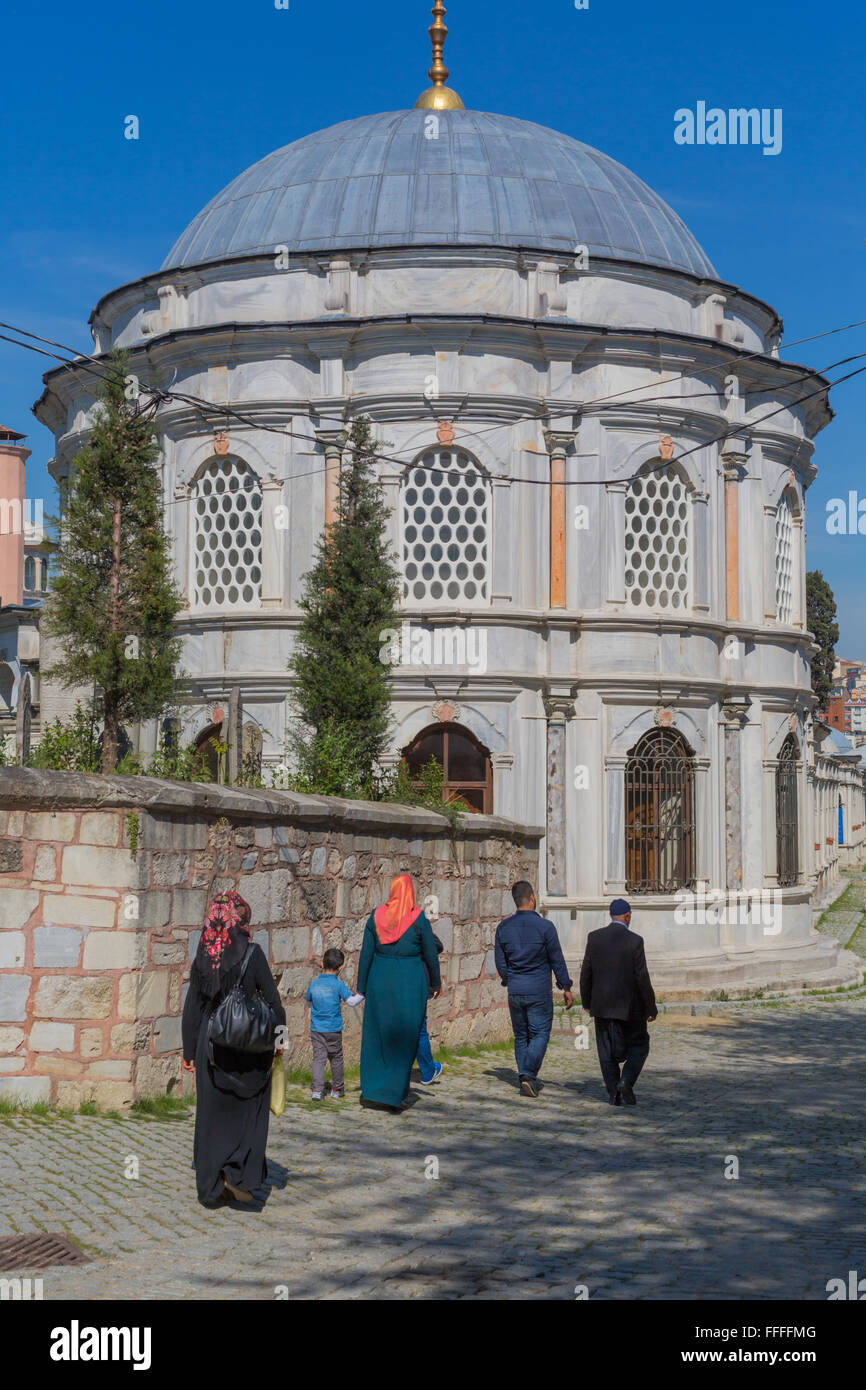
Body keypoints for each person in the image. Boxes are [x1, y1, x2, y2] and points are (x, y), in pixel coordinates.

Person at [181, 891, 286, 1206]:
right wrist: (280, 1042)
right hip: (249, 1048)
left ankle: (212, 1186)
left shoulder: (205, 956)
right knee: (248, 1112)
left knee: (212, 1116)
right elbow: (273, 1002)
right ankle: (239, 1174)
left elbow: (193, 1008)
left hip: (210, 1046)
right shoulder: (252, 954)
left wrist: (188, 1051)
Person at [357, 873, 441, 1112]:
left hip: (379, 979)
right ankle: (396, 1093)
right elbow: (430, 955)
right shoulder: (418, 919)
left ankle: (373, 1090)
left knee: (378, 1035)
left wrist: (362, 987)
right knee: (406, 1037)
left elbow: (365, 955)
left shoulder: (376, 916)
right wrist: (435, 983)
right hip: (410, 981)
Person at [494, 880, 574, 1097]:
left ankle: (524, 1076)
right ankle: (528, 1074)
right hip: (539, 989)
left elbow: (501, 963)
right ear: (531, 898)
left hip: (516, 990)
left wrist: (509, 979)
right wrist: (565, 986)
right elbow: (556, 959)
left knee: (521, 1035)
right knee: (540, 1033)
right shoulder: (546, 927)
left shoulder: (503, 928)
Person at [579, 898, 657, 1106]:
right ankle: (626, 1080)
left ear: (611, 915)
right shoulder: (635, 941)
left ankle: (614, 1093)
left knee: (606, 1052)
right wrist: (650, 1007)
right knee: (639, 1044)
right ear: (628, 915)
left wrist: (587, 1001)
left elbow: (586, 973)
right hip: (629, 1007)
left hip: (602, 1005)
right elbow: (642, 977)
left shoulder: (594, 938)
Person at [304, 948, 364, 1100]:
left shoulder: (314, 984)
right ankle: (337, 1089)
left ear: (322, 964)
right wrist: (363, 994)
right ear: (341, 967)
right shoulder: (338, 985)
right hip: (334, 1029)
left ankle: (317, 1091)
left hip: (317, 1029)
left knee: (319, 1058)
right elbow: (351, 1001)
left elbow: (308, 1001)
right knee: (336, 1058)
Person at [416, 926, 445, 1086]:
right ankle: (427, 1071)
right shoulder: (418, 925)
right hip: (419, 983)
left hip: (397, 984)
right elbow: (438, 946)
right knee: (419, 1029)